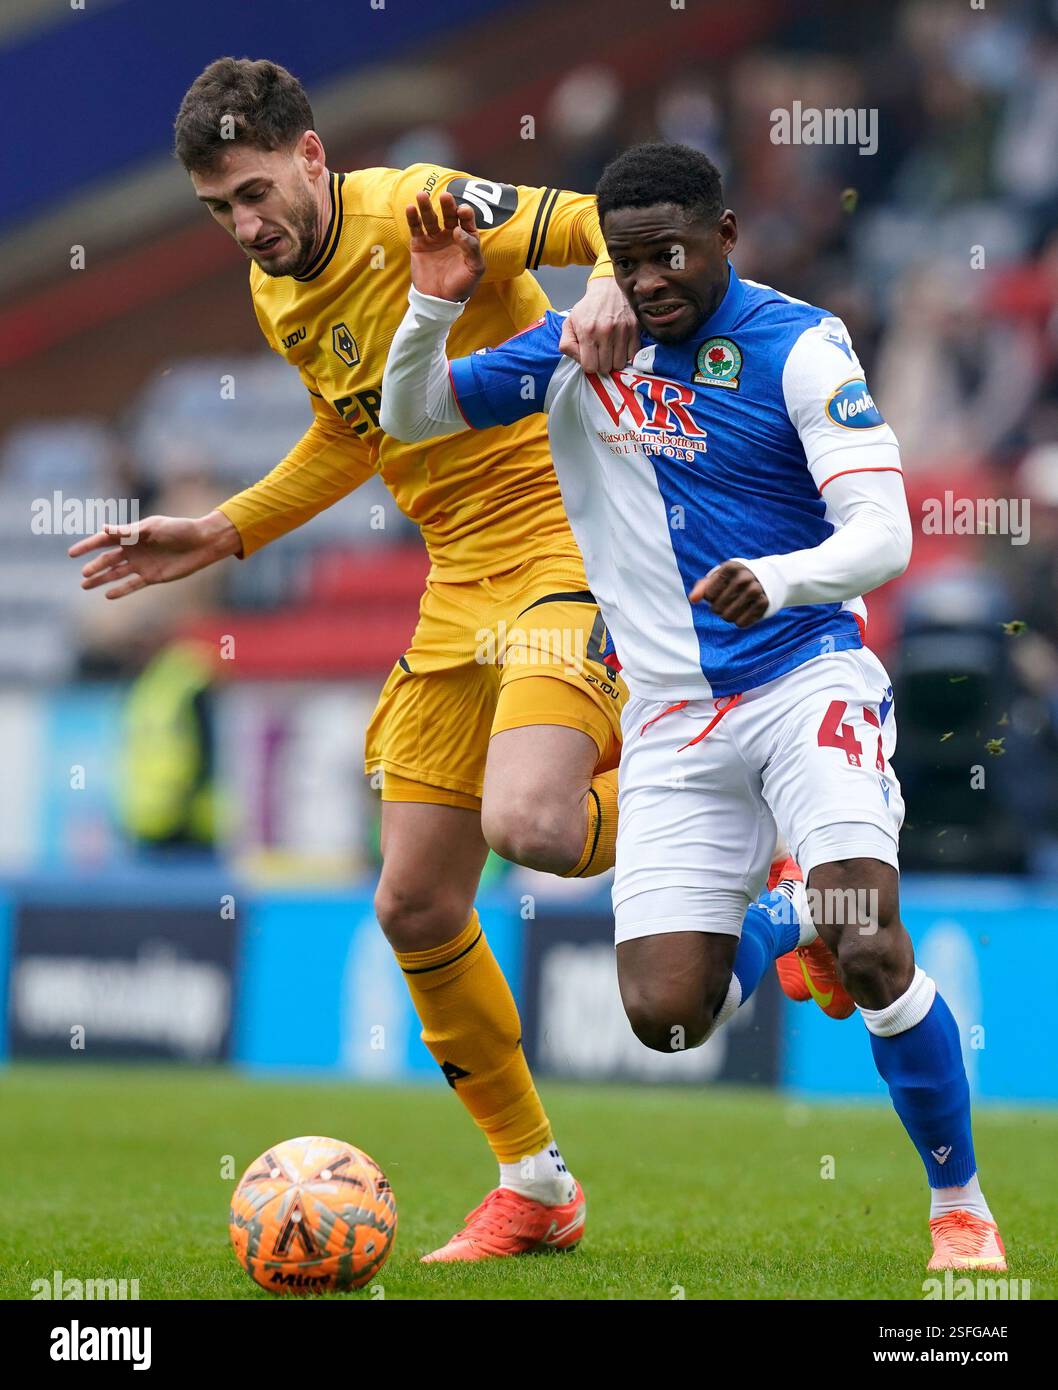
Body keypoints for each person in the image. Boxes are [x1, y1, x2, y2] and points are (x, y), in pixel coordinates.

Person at [68, 59, 804, 1265]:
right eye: (219, 210)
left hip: (570, 542)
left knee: (531, 820)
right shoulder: (278, 298)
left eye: (256, 192)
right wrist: (225, 527)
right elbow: (355, 431)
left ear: (313, 157)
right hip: (456, 578)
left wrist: (620, 281)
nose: (245, 227)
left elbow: (581, 221)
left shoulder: (421, 203)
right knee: (412, 900)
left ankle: (751, 821)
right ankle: (533, 1182)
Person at [378, 141, 1007, 1272]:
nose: (650, 278)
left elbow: (882, 533)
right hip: (669, 714)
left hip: (802, 674)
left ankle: (957, 1206)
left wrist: (784, 575)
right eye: (626, 260)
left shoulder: (801, 345)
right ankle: (781, 916)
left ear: (725, 235)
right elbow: (411, 413)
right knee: (667, 1019)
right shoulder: (578, 350)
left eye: (670, 252)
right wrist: (433, 303)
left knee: (866, 936)